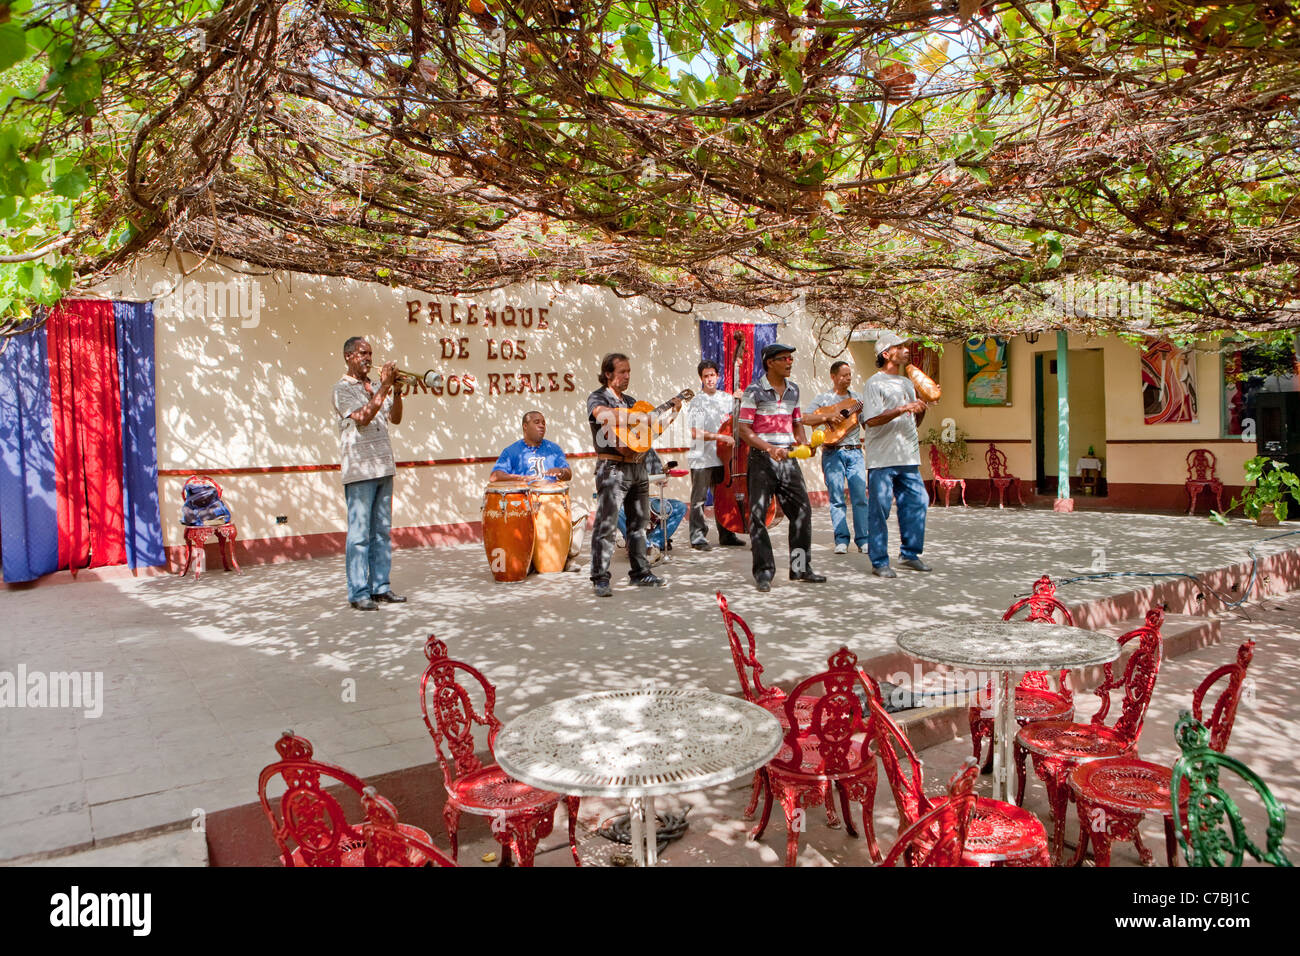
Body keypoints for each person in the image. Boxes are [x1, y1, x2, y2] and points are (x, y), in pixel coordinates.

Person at [586, 353, 684, 597]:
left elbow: (651, 433)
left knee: (638, 525)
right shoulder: (598, 397)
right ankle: (600, 578)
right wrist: (637, 416)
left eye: (629, 371)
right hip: (613, 468)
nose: (627, 376)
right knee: (606, 526)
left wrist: (673, 413)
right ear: (608, 374)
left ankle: (640, 573)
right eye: (622, 372)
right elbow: (602, 414)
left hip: (638, 467)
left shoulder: (631, 401)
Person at [736, 343, 826, 592]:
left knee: (801, 512)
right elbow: (743, 429)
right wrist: (768, 448)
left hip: (788, 459)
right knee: (758, 516)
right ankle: (764, 572)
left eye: (791, 358)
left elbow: (796, 423)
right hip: (762, 459)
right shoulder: (754, 391)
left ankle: (800, 568)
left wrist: (805, 443)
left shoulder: (793, 390)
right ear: (769, 362)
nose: (790, 362)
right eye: (784, 358)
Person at [332, 336, 407, 610]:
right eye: (362, 353)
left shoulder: (377, 387)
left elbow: (395, 418)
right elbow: (363, 418)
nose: (368, 358)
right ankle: (358, 593)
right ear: (349, 356)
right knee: (360, 534)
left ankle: (380, 587)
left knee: (382, 533)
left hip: (384, 466)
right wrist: (385, 387)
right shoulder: (342, 389)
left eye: (370, 353)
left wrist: (396, 392)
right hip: (359, 470)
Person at [863, 332, 932, 578]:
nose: (906, 350)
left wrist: (922, 404)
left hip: (908, 456)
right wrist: (904, 407)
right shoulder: (874, 383)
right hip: (882, 458)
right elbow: (871, 420)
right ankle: (879, 561)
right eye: (899, 347)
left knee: (918, 502)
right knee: (879, 509)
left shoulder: (905, 383)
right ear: (886, 353)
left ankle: (909, 554)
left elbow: (913, 418)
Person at [489, 410, 587, 571]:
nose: (542, 425)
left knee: (581, 511)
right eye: (537, 422)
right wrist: (520, 479)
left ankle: (566, 557)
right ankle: (528, 559)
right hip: (526, 502)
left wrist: (561, 472)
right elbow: (494, 476)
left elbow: (568, 473)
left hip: (554, 501)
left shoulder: (553, 449)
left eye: (543, 422)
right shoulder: (512, 451)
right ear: (525, 427)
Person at [805, 361, 869, 555]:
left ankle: (863, 540)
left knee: (859, 497)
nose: (848, 378)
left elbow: (867, 423)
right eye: (844, 375)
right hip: (832, 452)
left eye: (850, 375)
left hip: (855, 451)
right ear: (833, 377)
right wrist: (828, 417)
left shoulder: (857, 399)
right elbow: (805, 418)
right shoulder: (823, 399)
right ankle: (841, 540)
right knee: (836, 498)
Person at [685, 360, 746, 550]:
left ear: (718, 376)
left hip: (723, 458)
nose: (710, 379)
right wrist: (720, 436)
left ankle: (726, 534)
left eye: (712, 375)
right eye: (706, 376)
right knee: (699, 499)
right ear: (701, 379)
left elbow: (739, 419)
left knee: (723, 498)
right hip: (701, 458)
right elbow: (695, 432)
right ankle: (697, 537)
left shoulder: (726, 398)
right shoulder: (697, 401)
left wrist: (740, 400)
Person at [617, 445, 687, 554]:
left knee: (680, 507)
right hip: (625, 500)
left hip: (645, 498)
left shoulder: (647, 450)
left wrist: (663, 478)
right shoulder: (615, 453)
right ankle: (638, 544)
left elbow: (658, 475)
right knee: (614, 508)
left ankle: (652, 542)